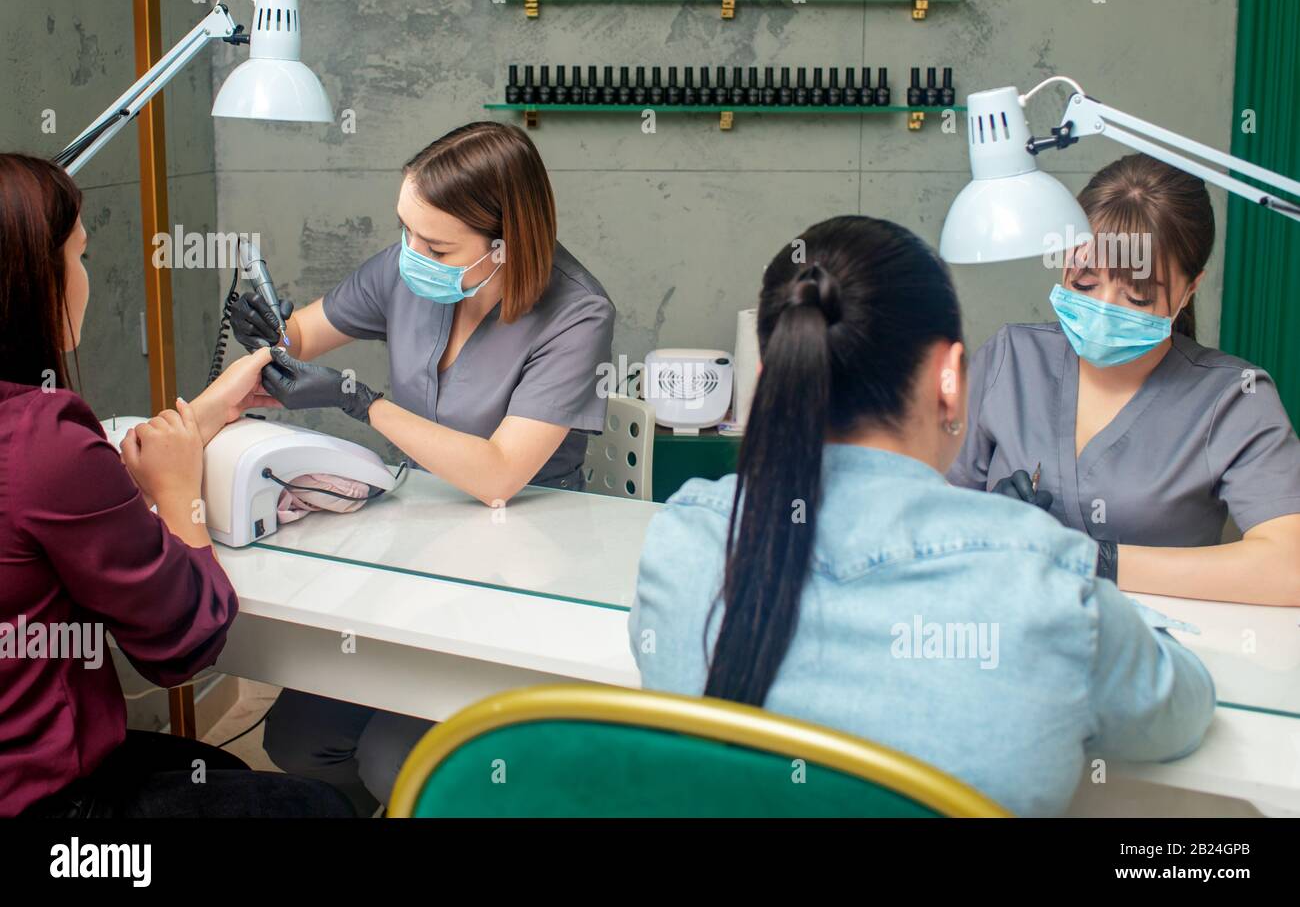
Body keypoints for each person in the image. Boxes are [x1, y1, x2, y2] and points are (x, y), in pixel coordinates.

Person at [630, 215, 1215, 817]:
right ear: (949, 381)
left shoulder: (684, 543)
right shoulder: (1044, 588)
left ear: (766, 377)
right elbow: (1182, 712)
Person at [241, 121, 615, 813]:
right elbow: (299, 337)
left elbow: (501, 475)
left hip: (523, 569)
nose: (411, 254)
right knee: (297, 740)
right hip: (415, 549)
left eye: (436, 244)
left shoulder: (577, 314)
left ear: (506, 243)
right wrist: (266, 339)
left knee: (399, 760)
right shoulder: (407, 268)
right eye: (406, 230)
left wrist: (359, 400)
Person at [0, 152, 352, 817]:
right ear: (29, 280)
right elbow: (182, 643)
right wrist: (179, 495)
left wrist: (211, 408)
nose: (85, 278)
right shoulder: (45, 440)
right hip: (46, 808)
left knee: (210, 769)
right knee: (317, 810)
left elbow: (49, 511)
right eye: (78, 258)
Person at [948, 154, 1300, 606]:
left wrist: (1097, 562)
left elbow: (1289, 567)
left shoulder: (1235, 398)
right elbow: (924, 517)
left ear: (1190, 289)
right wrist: (984, 522)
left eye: (1136, 295)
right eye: (1085, 284)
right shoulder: (1010, 359)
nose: (1105, 309)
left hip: (1160, 658)